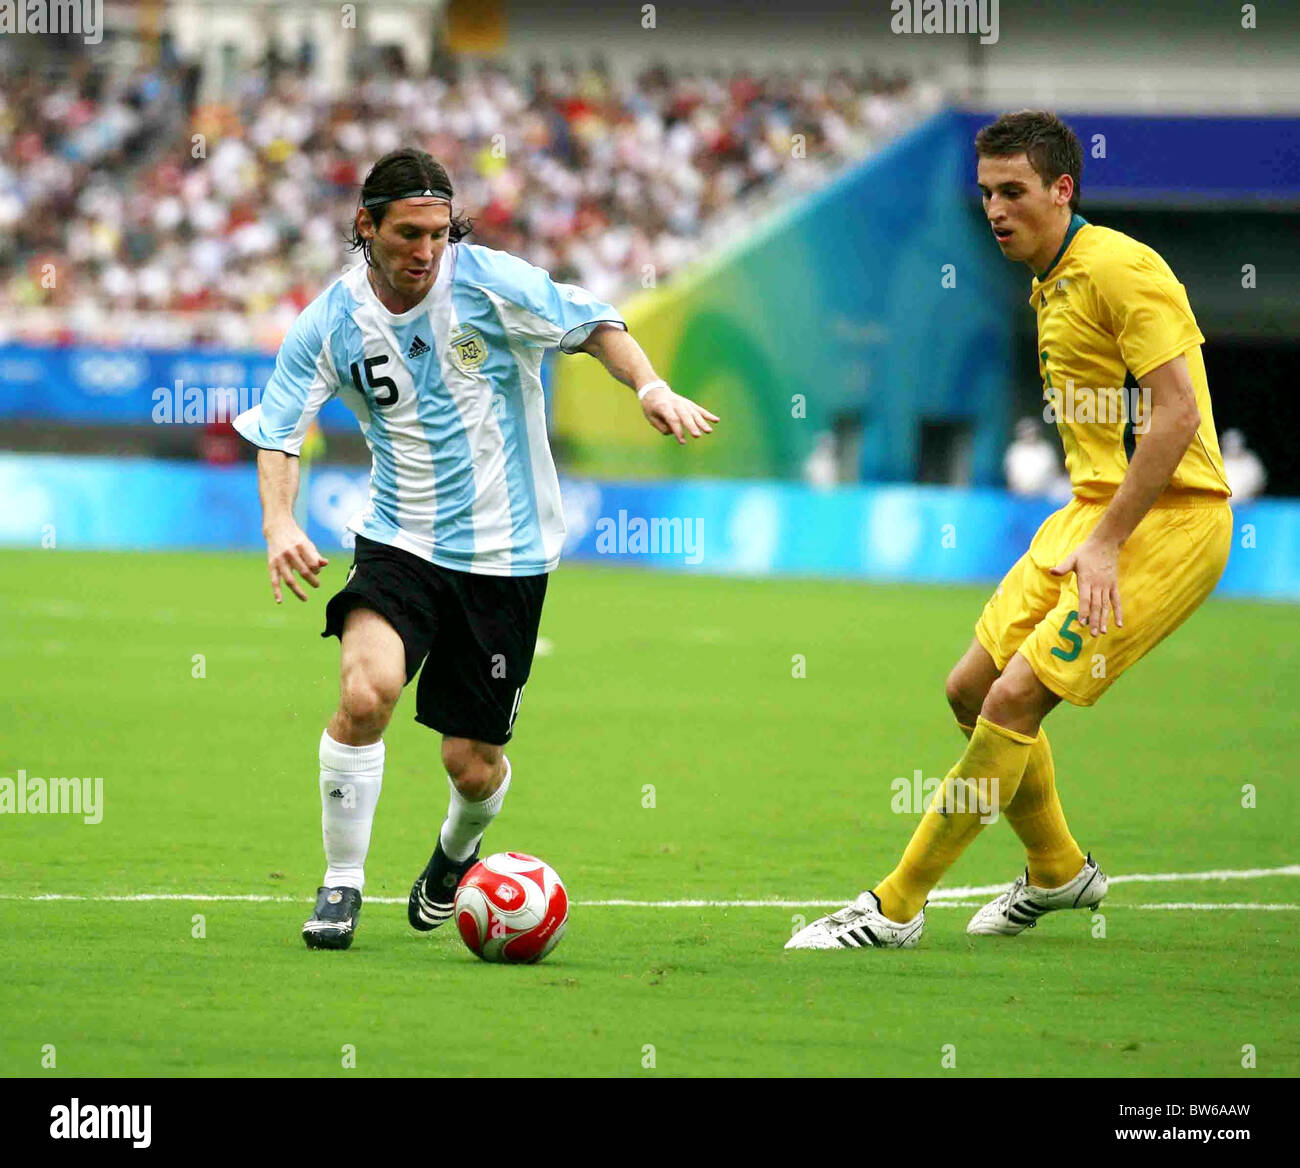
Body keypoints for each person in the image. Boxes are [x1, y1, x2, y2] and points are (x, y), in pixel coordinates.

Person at [234, 147, 719, 950]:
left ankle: (457, 852)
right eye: (407, 234)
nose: (425, 252)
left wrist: (650, 386)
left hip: (509, 556)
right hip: (399, 542)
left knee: (472, 763)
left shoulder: (491, 282)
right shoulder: (328, 324)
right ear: (366, 226)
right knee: (365, 695)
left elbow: (594, 322)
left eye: (437, 233)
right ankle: (342, 884)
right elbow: (278, 432)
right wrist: (280, 524)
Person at [788, 111, 1233, 951]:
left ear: (1063, 190)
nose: (996, 208)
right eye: (987, 192)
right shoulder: (1050, 277)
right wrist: (1092, 530)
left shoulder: (1122, 268)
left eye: (1014, 192)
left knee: (1014, 699)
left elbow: (1174, 417)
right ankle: (1060, 870)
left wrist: (1105, 544)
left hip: (1172, 520)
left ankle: (894, 905)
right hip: (1093, 513)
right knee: (968, 689)